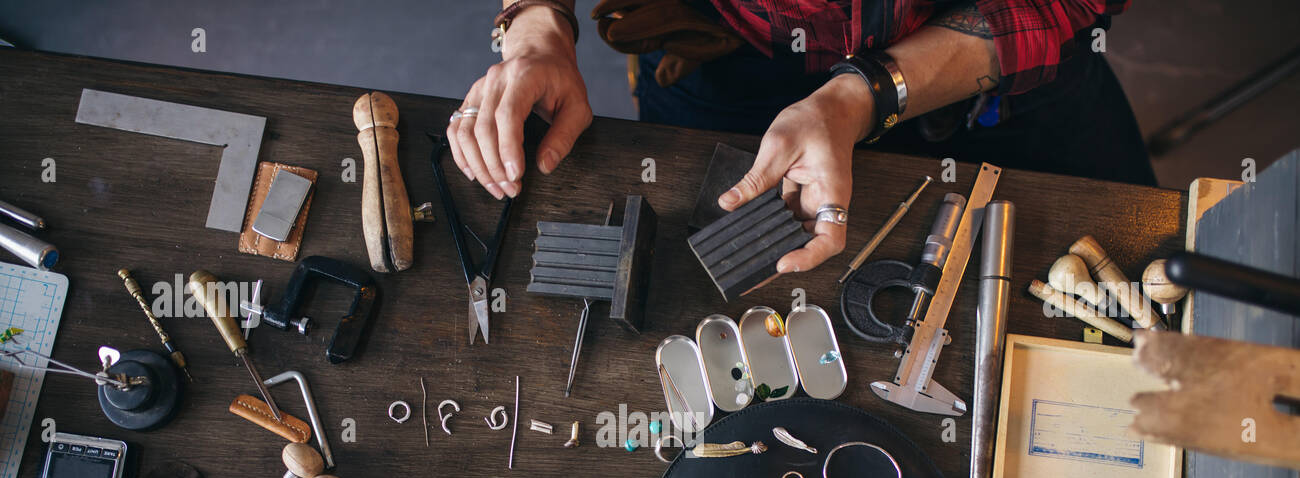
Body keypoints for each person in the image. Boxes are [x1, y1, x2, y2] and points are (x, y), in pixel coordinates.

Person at [447, 0, 1153, 276]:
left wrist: (863, 96)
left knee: (1148, 290)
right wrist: (535, 25)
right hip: (731, 66)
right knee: (724, 286)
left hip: (1005, 68)